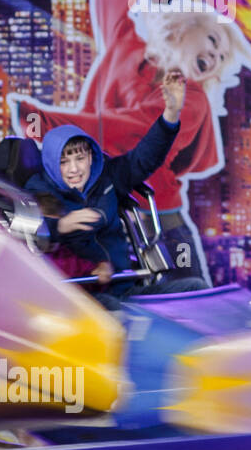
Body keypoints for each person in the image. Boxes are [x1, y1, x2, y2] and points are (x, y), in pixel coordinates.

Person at [11, 0, 251, 286]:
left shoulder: (191, 99)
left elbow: (133, 134)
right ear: (184, 28)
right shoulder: (125, 45)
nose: (215, 53)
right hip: (100, 213)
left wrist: (42, 118)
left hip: (156, 222)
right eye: (212, 39)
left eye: (221, 56)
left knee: (188, 309)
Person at [25, 70, 207, 309]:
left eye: (80, 159)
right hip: (78, 300)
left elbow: (145, 157)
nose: (74, 169)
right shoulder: (38, 190)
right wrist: (58, 227)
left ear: (91, 156)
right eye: (63, 162)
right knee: (111, 309)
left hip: (126, 289)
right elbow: (19, 235)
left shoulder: (107, 176)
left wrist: (171, 114)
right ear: (51, 163)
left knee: (196, 289)